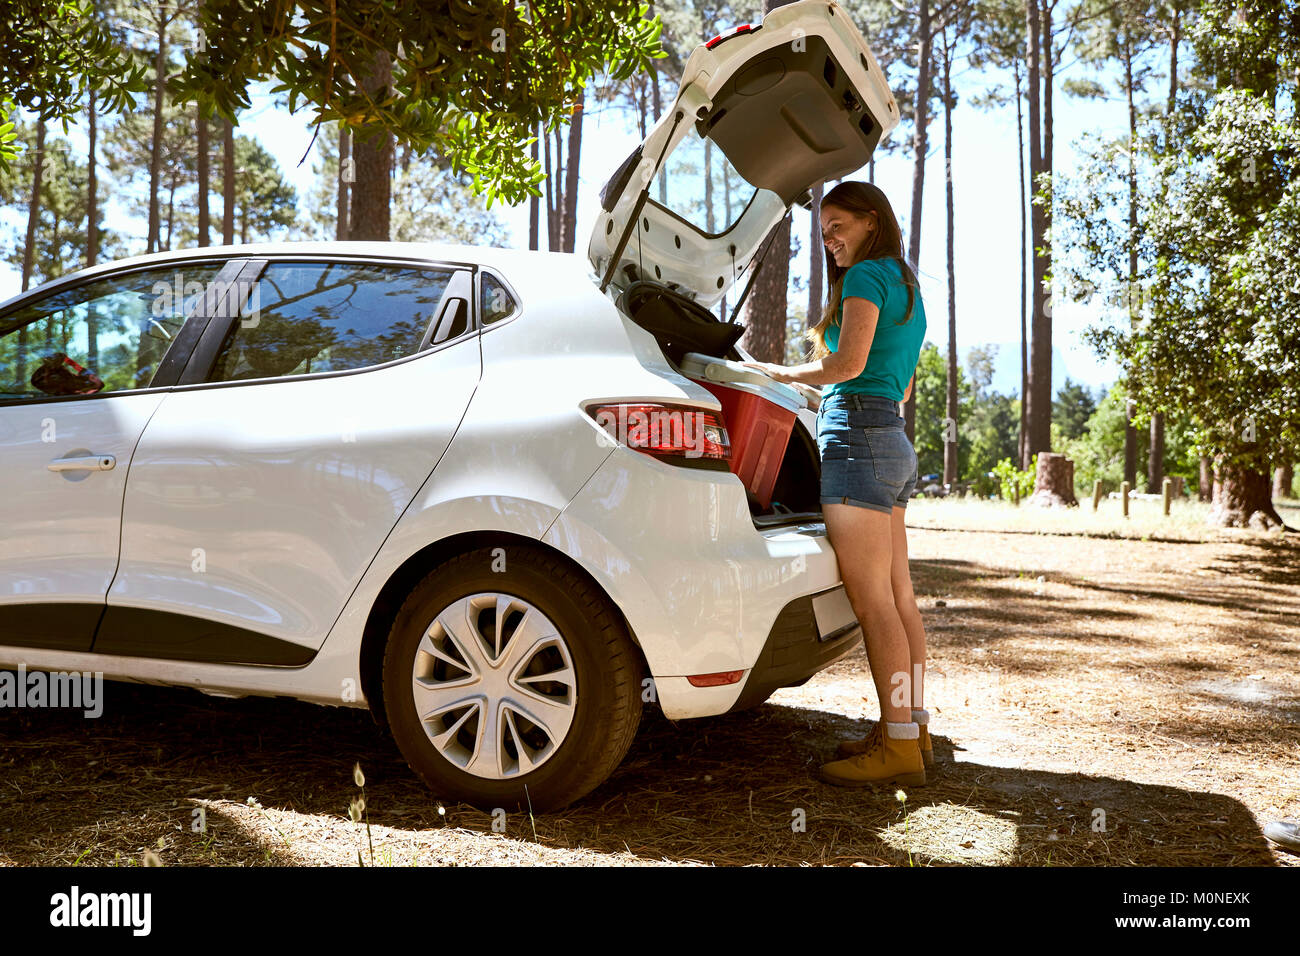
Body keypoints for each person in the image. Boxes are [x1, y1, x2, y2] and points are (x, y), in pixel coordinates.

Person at [742, 180, 931, 788]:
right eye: (824, 230)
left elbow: (846, 367)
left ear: (872, 221)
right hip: (892, 439)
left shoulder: (866, 278)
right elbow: (897, 385)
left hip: (856, 439)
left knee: (873, 603)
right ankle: (910, 728)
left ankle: (898, 748)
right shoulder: (907, 284)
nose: (829, 239)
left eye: (839, 225)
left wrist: (778, 372)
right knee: (899, 599)